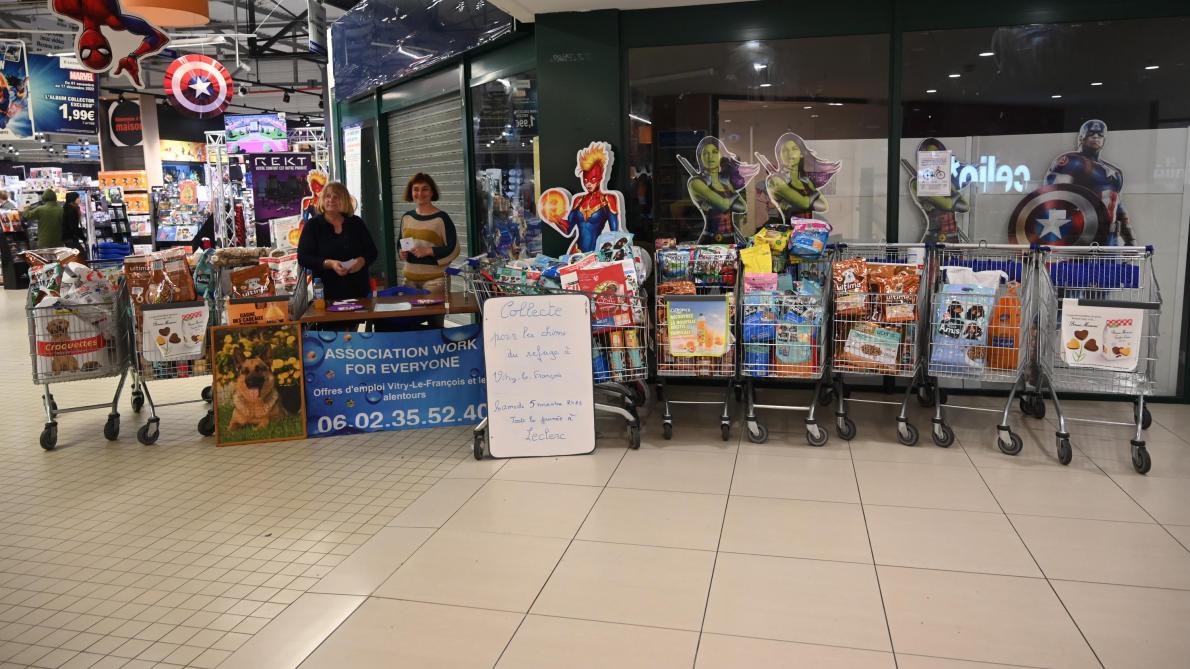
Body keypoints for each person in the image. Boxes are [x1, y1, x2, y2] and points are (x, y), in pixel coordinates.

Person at [1044, 119, 1135, 245]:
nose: (1096, 137)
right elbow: (1054, 199)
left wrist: (1130, 240)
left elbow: (1118, 207)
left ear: (1105, 140)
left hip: (1110, 238)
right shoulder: (1070, 161)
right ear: (1081, 138)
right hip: (1079, 235)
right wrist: (1053, 237)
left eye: (1100, 134)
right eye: (1091, 133)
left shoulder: (1115, 172)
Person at [297, 181, 378, 303]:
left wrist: (361, 261)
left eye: (336, 197)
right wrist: (329, 263)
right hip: (326, 294)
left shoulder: (356, 223)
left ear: (344, 200)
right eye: (328, 196)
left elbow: (372, 252)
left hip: (358, 291)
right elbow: (303, 257)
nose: (331, 200)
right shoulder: (313, 225)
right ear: (323, 200)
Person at [61, 192, 87, 259]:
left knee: (75, 256)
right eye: (78, 198)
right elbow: (73, 226)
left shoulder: (67, 208)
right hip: (71, 238)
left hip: (68, 237)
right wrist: (83, 237)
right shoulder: (71, 210)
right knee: (82, 256)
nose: (79, 199)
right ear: (73, 199)